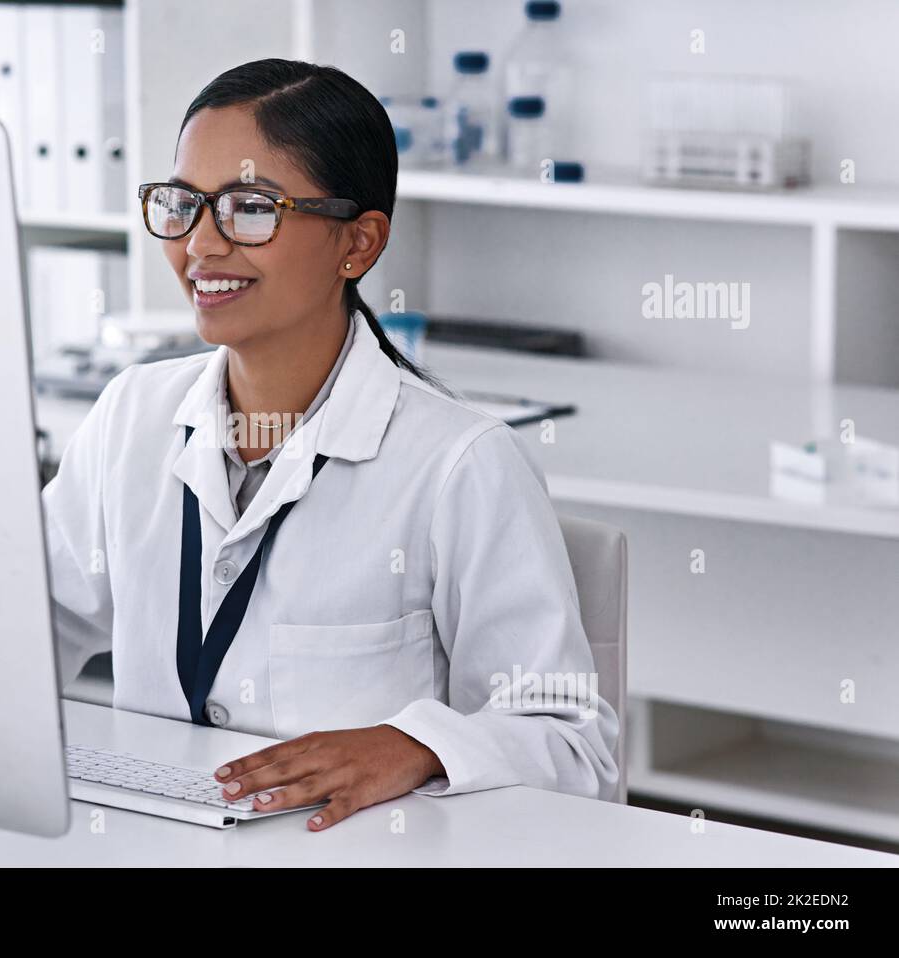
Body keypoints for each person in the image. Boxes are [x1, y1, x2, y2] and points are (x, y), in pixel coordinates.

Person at [42, 58, 618, 830]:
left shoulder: (460, 465)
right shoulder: (130, 416)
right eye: (184, 204)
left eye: (250, 208)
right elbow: (22, 628)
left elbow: (576, 746)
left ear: (359, 242)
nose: (201, 245)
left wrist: (416, 746)